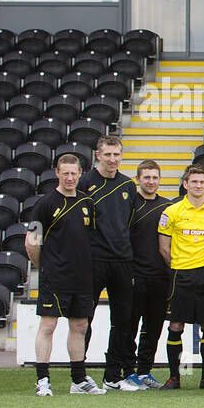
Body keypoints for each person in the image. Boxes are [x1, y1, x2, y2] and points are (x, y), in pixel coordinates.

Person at [26, 153, 103, 395]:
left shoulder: (87, 202)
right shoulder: (45, 204)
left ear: (80, 174)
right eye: (65, 173)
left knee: (80, 325)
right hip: (54, 277)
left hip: (82, 277)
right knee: (48, 326)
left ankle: (79, 380)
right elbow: (32, 242)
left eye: (74, 173)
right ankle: (42, 380)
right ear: (57, 174)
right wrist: (44, 266)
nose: (70, 177)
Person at [157, 164, 204, 389]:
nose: (198, 186)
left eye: (202, 182)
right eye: (194, 182)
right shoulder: (172, 212)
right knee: (176, 325)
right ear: (185, 184)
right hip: (180, 275)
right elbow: (164, 249)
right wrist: (180, 264)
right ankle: (174, 377)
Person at [80, 135, 140, 390]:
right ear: (98, 155)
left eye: (116, 155)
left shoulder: (128, 186)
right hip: (93, 260)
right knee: (84, 319)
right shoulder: (84, 183)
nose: (112, 159)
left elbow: (130, 225)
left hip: (122, 261)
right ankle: (79, 374)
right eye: (107, 155)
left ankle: (112, 375)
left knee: (123, 320)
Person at [127, 160, 173, 389]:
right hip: (134, 275)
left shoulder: (168, 207)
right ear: (138, 179)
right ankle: (126, 372)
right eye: (146, 177)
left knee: (153, 327)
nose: (151, 182)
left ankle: (144, 371)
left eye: (155, 178)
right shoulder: (129, 204)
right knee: (129, 326)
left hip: (160, 276)